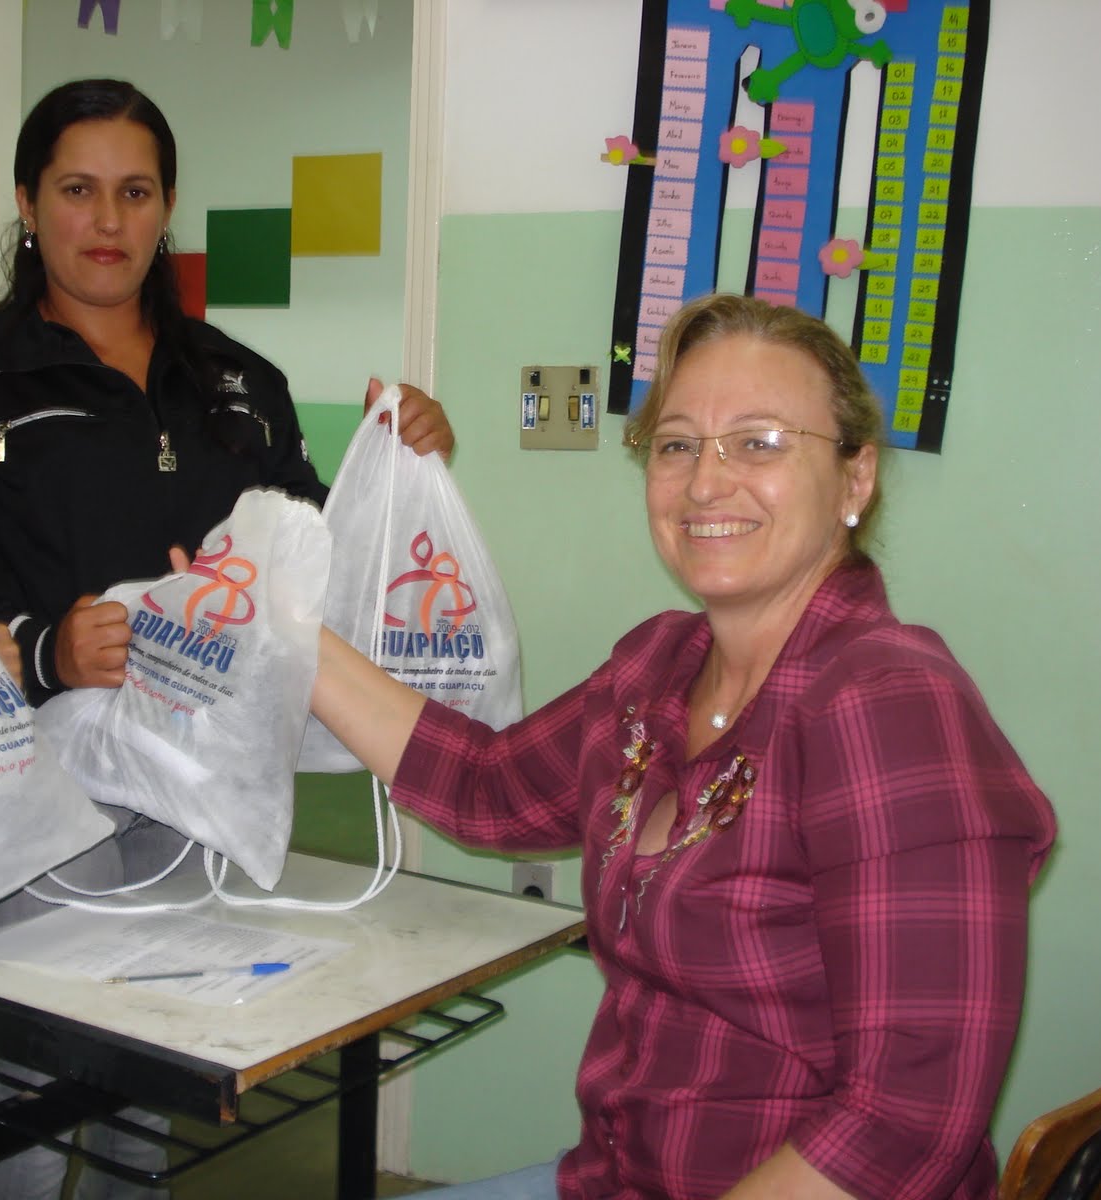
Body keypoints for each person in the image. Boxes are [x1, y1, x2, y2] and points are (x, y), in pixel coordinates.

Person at [311, 293, 1057, 1200]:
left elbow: (904, 1127)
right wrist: (284, 636)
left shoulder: (889, 703)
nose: (706, 482)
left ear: (856, 480)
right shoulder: (657, 667)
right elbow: (488, 787)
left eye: (760, 441)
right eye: (676, 445)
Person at [0, 78, 453, 1199]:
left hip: (201, 779)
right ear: (28, 201)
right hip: (40, 787)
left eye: (134, 193)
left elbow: (313, 563)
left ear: (167, 205)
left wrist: (405, 460)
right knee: (30, 1091)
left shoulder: (239, 382)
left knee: (152, 1069)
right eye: (78, 191)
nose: (108, 222)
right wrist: (49, 649)